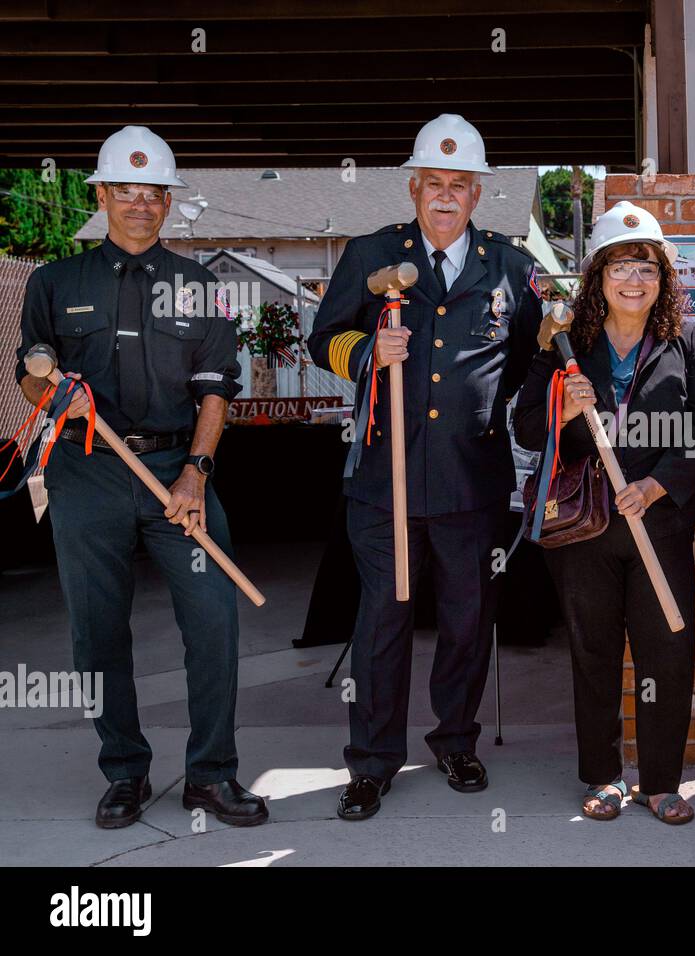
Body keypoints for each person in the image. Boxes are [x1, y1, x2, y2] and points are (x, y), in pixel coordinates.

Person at [13, 126, 266, 828]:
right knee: (97, 632)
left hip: (175, 471)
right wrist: (51, 391)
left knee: (214, 622)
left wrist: (195, 473)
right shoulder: (55, 282)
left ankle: (211, 776)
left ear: (167, 201)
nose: (138, 203)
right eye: (124, 190)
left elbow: (217, 388)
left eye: (152, 192)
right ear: (101, 194)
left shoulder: (198, 286)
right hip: (85, 471)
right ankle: (124, 770)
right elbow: (30, 373)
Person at [306, 114, 542, 820]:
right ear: (414, 189)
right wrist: (368, 351)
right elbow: (324, 340)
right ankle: (373, 762)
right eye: (433, 183)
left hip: (473, 479)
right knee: (383, 623)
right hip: (386, 478)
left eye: (459, 185)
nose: (445, 196)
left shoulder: (512, 267)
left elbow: (530, 359)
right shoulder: (373, 254)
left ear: (477, 196)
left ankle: (454, 740)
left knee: (469, 621)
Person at [514, 202, 695, 825]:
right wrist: (563, 405)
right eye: (620, 267)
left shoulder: (685, 341)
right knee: (594, 651)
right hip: (585, 526)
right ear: (598, 277)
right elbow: (526, 427)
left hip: (658, 524)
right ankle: (604, 777)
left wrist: (662, 485)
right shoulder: (564, 344)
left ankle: (662, 782)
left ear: (663, 277)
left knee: (667, 650)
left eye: (647, 267)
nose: (634, 279)